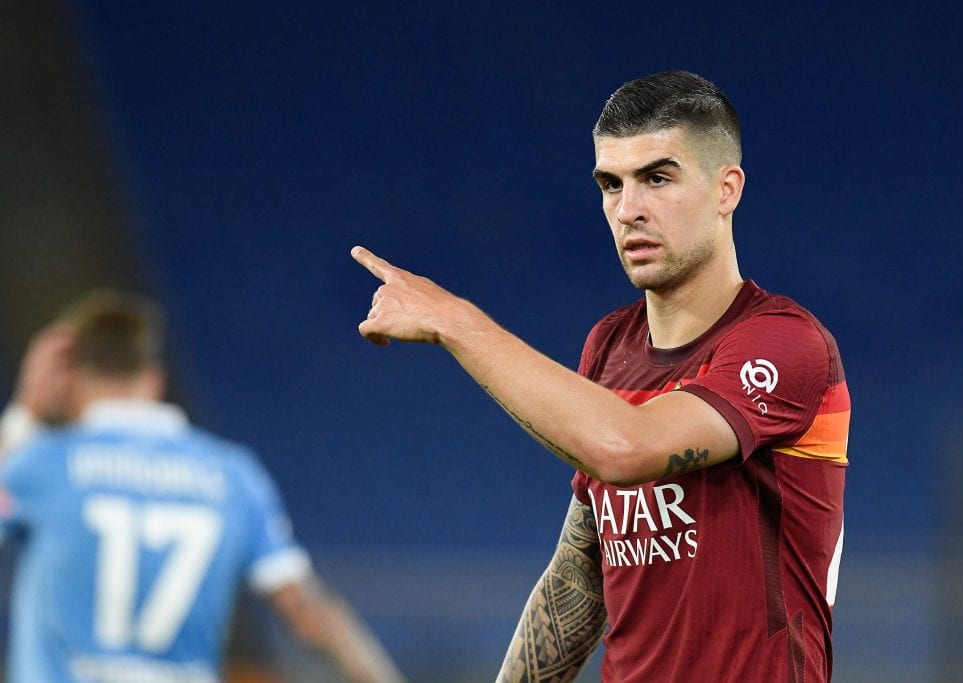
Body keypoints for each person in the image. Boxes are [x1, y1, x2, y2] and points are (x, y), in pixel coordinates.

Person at [350, 70, 849, 682]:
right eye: (611, 184)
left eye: (657, 178)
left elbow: (626, 448)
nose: (629, 210)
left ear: (727, 190)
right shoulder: (610, 346)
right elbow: (580, 571)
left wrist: (457, 322)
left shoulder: (786, 343)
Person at [0, 289, 407, 683]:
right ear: (155, 379)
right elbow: (305, 611)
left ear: (68, 380)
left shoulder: (43, 463)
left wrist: (24, 413)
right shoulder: (232, 476)